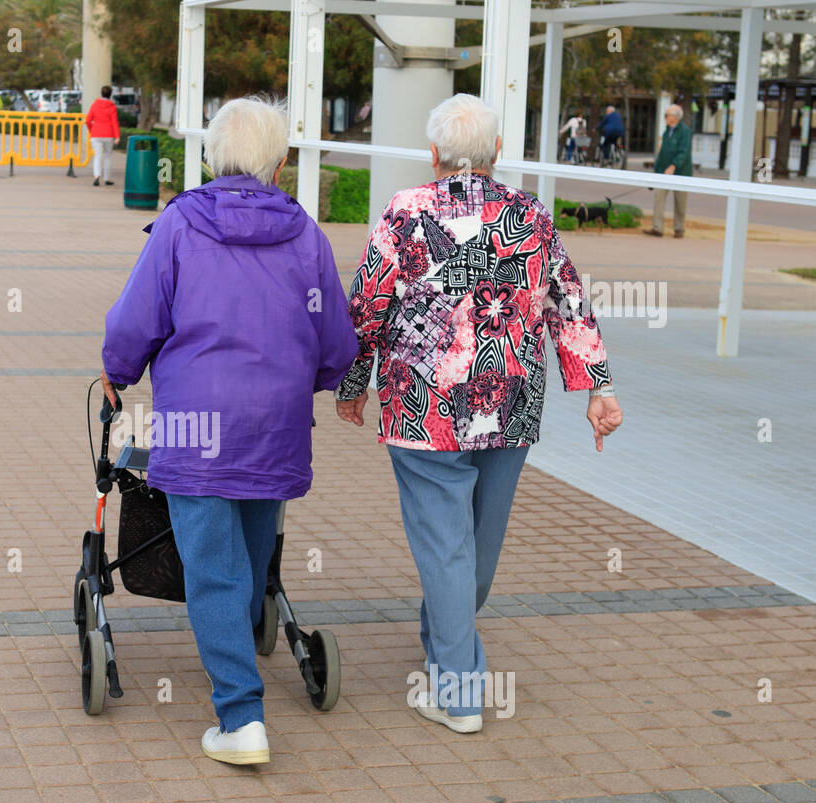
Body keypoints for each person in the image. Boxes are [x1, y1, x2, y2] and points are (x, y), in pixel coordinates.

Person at [335, 94, 623, 734]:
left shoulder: (407, 212)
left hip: (424, 408)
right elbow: (568, 303)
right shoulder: (530, 215)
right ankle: (460, 686)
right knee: (473, 553)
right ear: (497, 154)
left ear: (433, 154)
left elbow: (368, 306)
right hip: (509, 406)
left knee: (454, 553)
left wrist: (353, 381)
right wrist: (597, 387)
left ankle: (448, 651)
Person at [101, 96, 357, 766]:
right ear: (280, 162)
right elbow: (336, 339)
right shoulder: (305, 232)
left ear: (212, 155)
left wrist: (117, 370)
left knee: (213, 567)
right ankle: (239, 644)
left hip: (194, 422)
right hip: (274, 422)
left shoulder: (180, 225)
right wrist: (317, 377)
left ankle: (241, 718)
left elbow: (137, 318)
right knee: (249, 549)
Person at [645, 103, 692, 239]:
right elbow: (662, 153)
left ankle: (679, 229)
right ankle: (657, 228)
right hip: (663, 173)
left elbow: (684, 152)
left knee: (680, 203)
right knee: (659, 198)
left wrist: (673, 165)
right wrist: (657, 172)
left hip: (681, 172)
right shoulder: (667, 131)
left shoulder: (685, 132)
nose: (665, 117)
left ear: (675, 117)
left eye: (667, 115)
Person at [85, 85, 120, 187]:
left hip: (96, 134)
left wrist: (92, 130)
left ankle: (96, 177)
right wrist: (117, 136)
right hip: (109, 135)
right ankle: (107, 178)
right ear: (110, 94)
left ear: (101, 93)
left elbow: (88, 120)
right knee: (108, 156)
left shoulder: (95, 105)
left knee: (97, 156)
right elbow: (115, 122)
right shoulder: (112, 107)